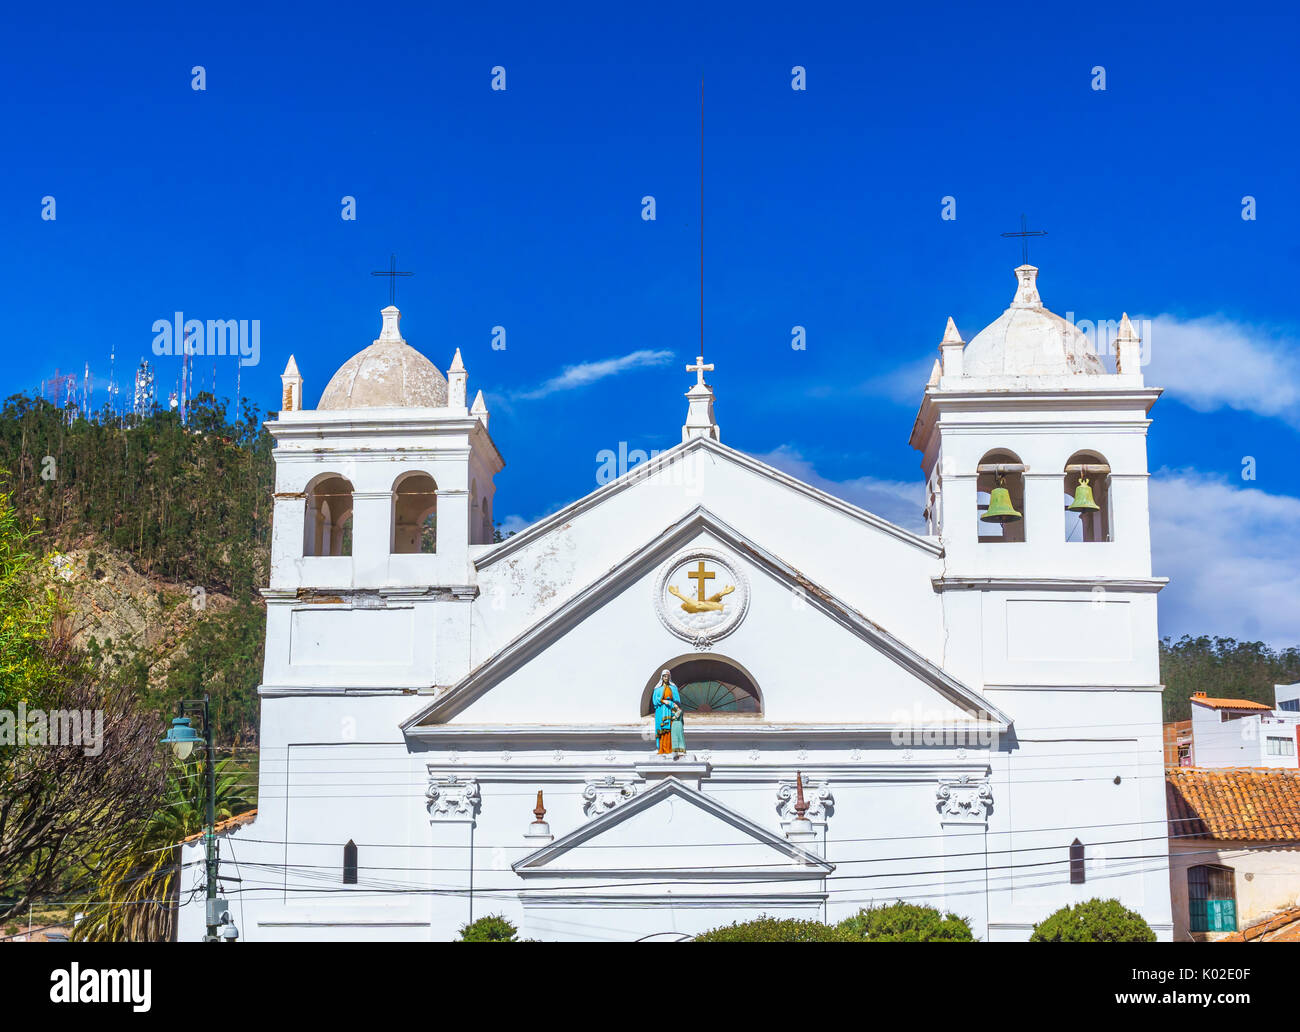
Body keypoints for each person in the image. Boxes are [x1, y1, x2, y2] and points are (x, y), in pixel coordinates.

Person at [652, 669, 684, 755]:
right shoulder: (657, 689)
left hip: (670, 710)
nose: (666, 678)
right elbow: (655, 701)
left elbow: (677, 702)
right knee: (662, 729)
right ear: (662, 677)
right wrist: (663, 701)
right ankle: (662, 749)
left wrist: (671, 704)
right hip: (661, 711)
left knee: (671, 728)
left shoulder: (673, 688)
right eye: (664, 676)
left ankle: (671, 748)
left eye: (668, 676)